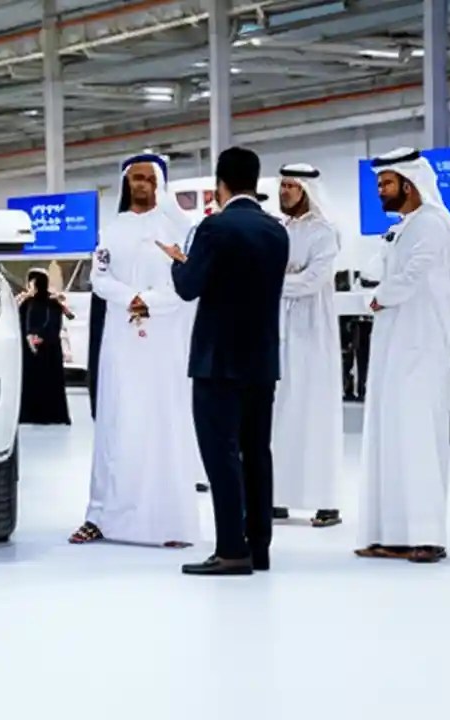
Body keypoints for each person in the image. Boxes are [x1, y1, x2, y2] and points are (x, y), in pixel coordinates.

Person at [159, 146, 288, 576]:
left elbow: (189, 287)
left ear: (221, 184)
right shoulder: (277, 231)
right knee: (257, 453)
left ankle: (232, 549)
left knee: (221, 456)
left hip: (217, 362)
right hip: (262, 360)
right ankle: (260, 548)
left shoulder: (213, 229)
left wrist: (179, 263)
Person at [69, 153, 203, 547]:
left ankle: (170, 523)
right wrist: (132, 299)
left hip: (164, 342)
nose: (142, 185)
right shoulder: (114, 229)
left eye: (148, 178)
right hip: (121, 342)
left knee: (163, 426)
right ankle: (101, 517)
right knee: (115, 424)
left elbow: (187, 281)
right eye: (136, 179)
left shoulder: (179, 229)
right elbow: (99, 277)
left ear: (160, 184)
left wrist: (151, 302)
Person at [356, 147, 450, 564]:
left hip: (420, 348)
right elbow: (374, 269)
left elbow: (410, 277)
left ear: (410, 183)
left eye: (386, 183)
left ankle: (426, 536)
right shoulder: (403, 227)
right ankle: (393, 534)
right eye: (380, 183)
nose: (381, 190)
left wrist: (379, 297)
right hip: (393, 347)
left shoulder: (433, 224)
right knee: (390, 437)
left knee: (416, 438)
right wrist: (379, 292)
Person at [271, 164, 344, 528]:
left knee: (315, 412)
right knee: (281, 413)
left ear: (307, 191)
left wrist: (273, 282)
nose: (284, 192)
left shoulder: (324, 232)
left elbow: (313, 280)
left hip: (313, 332)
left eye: (290, 186)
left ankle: (326, 501)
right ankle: (279, 497)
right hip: (281, 329)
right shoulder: (280, 230)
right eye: (281, 185)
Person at [17, 268, 72, 425]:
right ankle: (53, 415)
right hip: (51, 349)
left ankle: (32, 415)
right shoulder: (52, 302)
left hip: (32, 350)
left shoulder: (29, 302)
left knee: (33, 382)